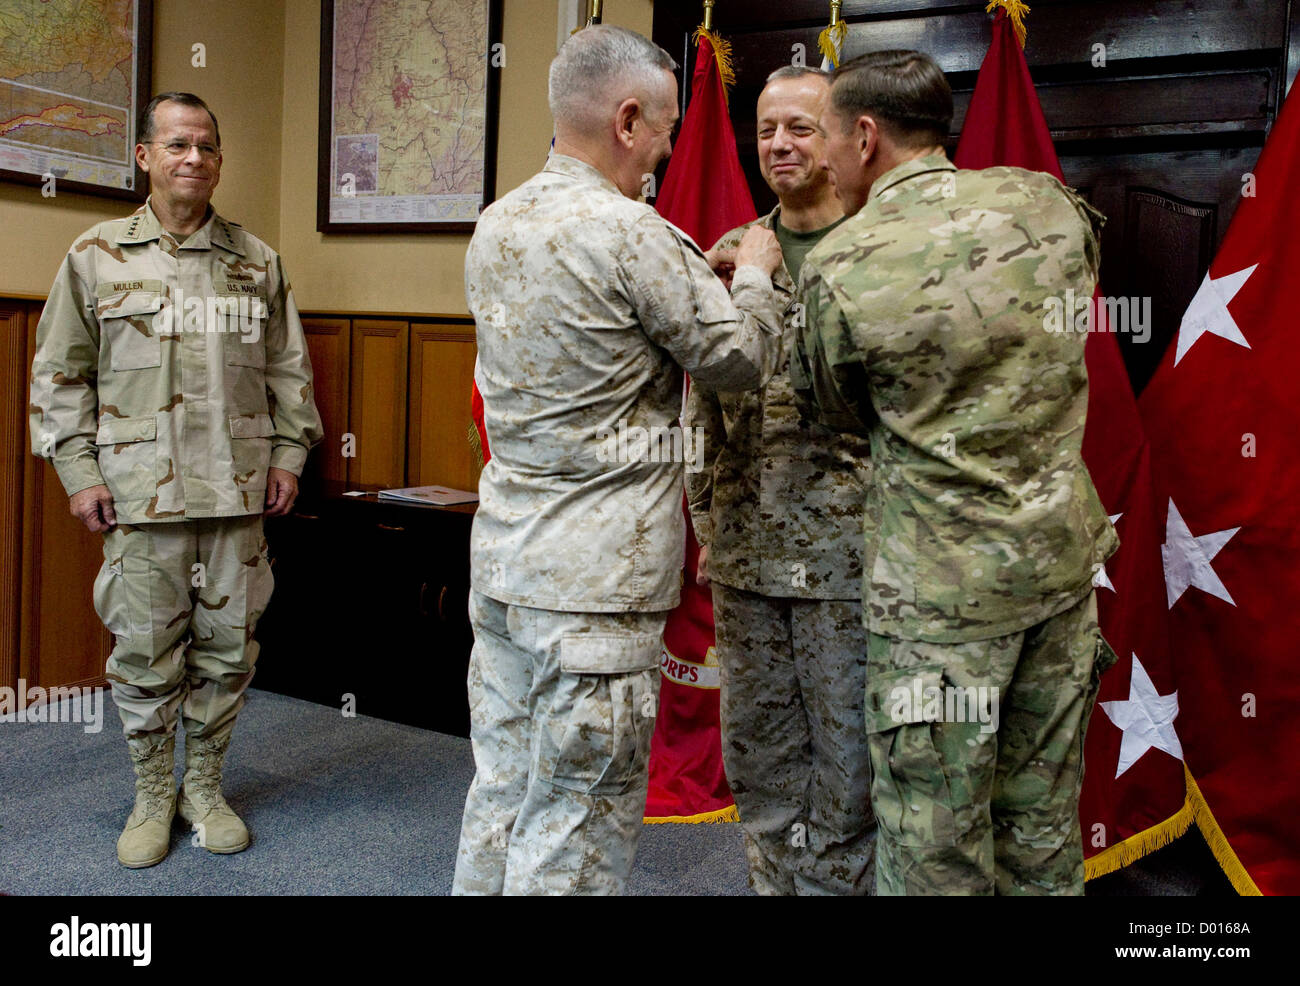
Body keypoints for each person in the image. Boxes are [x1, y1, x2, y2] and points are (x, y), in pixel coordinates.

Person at [455, 24, 787, 895]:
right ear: (628, 119)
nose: (674, 147)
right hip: (594, 596)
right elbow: (742, 359)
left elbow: (606, 324)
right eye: (668, 127)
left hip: (506, 569)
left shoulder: (497, 222)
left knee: (503, 790)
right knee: (577, 821)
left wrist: (693, 272)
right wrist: (751, 270)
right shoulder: (634, 235)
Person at [790, 50, 1119, 895]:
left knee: (934, 841)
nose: (820, 157)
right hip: (1059, 578)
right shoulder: (1045, 202)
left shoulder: (842, 262)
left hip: (937, 609)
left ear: (865, 136)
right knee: (1043, 827)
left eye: (824, 136)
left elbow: (834, 411)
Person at [29, 92, 323, 868]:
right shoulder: (94, 257)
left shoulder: (256, 263)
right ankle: (154, 792)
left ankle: (206, 786)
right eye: (178, 144)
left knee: (229, 652)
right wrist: (78, 471)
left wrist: (290, 457)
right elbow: (60, 378)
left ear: (220, 160)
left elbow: (290, 375)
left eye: (208, 146)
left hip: (237, 493)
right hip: (140, 496)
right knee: (146, 654)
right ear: (145, 156)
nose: (194, 157)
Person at [684, 65, 875, 895]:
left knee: (848, 757)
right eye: (766, 128)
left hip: (851, 557)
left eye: (801, 126)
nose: (779, 144)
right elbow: (702, 415)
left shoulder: (881, 252)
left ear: (844, 136)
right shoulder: (732, 257)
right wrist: (704, 524)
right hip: (747, 548)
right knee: (757, 750)